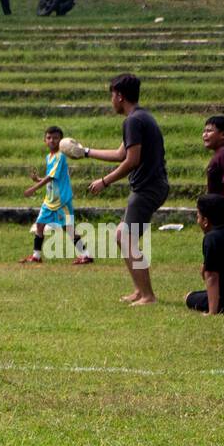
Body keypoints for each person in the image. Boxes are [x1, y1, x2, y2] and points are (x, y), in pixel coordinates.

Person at [82, 73, 169, 306]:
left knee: (125, 236)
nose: (111, 100)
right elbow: (121, 153)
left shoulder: (132, 121)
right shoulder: (141, 117)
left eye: (111, 95)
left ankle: (148, 295)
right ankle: (140, 291)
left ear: (119, 96)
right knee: (123, 234)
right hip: (152, 185)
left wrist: (105, 181)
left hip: (147, 188)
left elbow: (131, 160)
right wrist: (86, 151)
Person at [20, 126, 88, 264]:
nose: (52, 141)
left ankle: (86, 255)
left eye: (56, 138)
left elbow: (51, 177)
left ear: (61, 141)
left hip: (61, 200)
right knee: (40, 225)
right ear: (44, 140)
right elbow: (51, 177)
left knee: (68, 228)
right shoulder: (49, 157)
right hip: (50, 199)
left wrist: (34, 188)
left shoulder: (61, 156)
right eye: (49, 138)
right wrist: (38, 180)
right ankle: (36, 256)